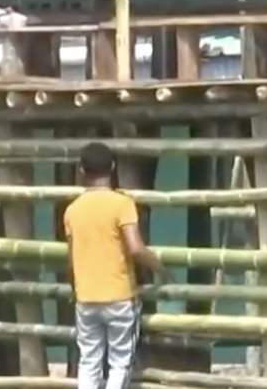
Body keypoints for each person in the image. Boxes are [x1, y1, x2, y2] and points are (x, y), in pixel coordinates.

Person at [63, 142, 173, 389]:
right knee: (120, 362)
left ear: (81, 169)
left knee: (89, 360)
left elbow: (71, 256)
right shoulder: (122, 204)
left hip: (86, 297)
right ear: (113, 167)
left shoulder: (72, 210)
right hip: (119, 296)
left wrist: (75, 287)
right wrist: (161, 270)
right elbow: (135, 247)